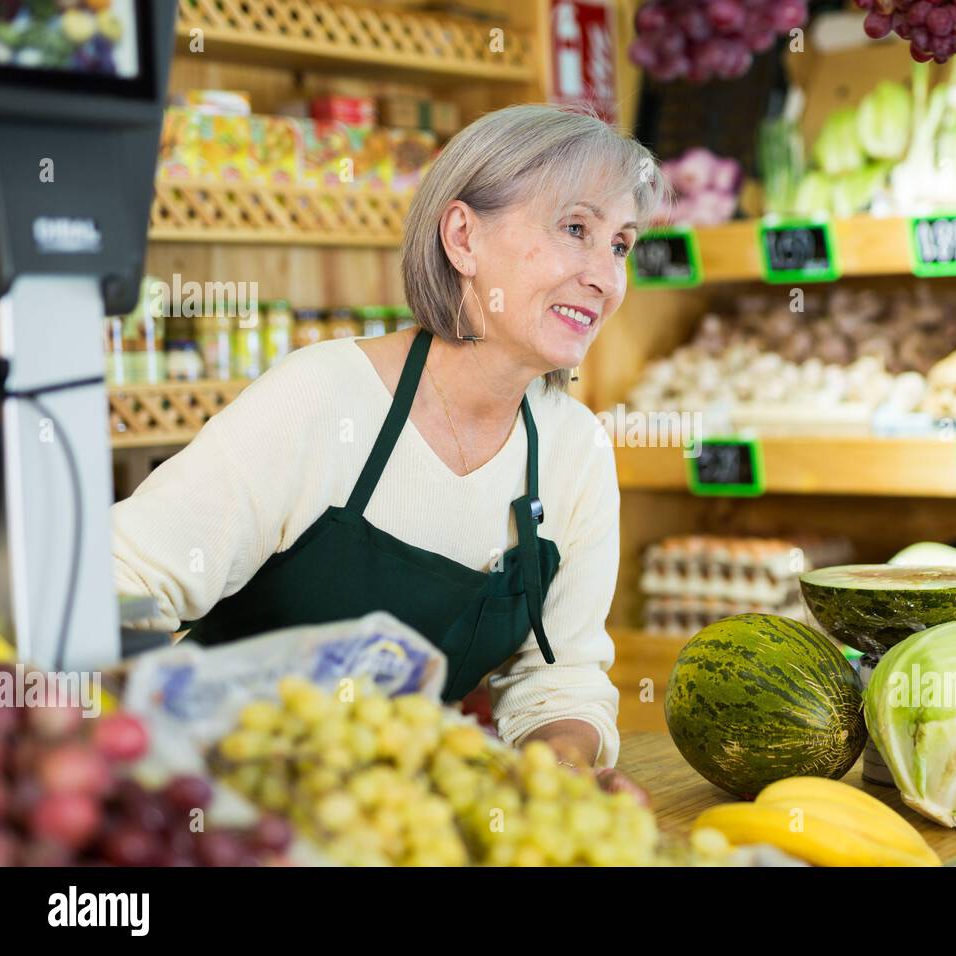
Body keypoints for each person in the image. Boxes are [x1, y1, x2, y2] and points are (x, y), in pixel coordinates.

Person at [112, 104, 668, 801]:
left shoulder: (573, 449)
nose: (604, 277)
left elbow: (559, 676)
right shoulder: (322, 399)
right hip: (226, 805)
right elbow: (120, 577)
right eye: (575, 229)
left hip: (389, 819)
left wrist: (562, 774)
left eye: (620, 245)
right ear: (463, 238)